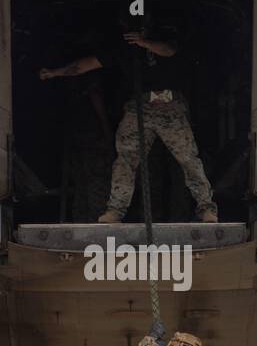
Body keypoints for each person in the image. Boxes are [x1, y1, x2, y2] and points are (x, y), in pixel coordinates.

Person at [37, 13, 218, 224]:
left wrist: (144, 43)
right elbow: (86, 64)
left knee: (188, 158)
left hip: (170, 106)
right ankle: (115, 211)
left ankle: (206, 209)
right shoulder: (123, 47)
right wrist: (55, 73)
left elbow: (168, 50)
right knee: (125, 159)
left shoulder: (165, 37)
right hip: (138, 107)